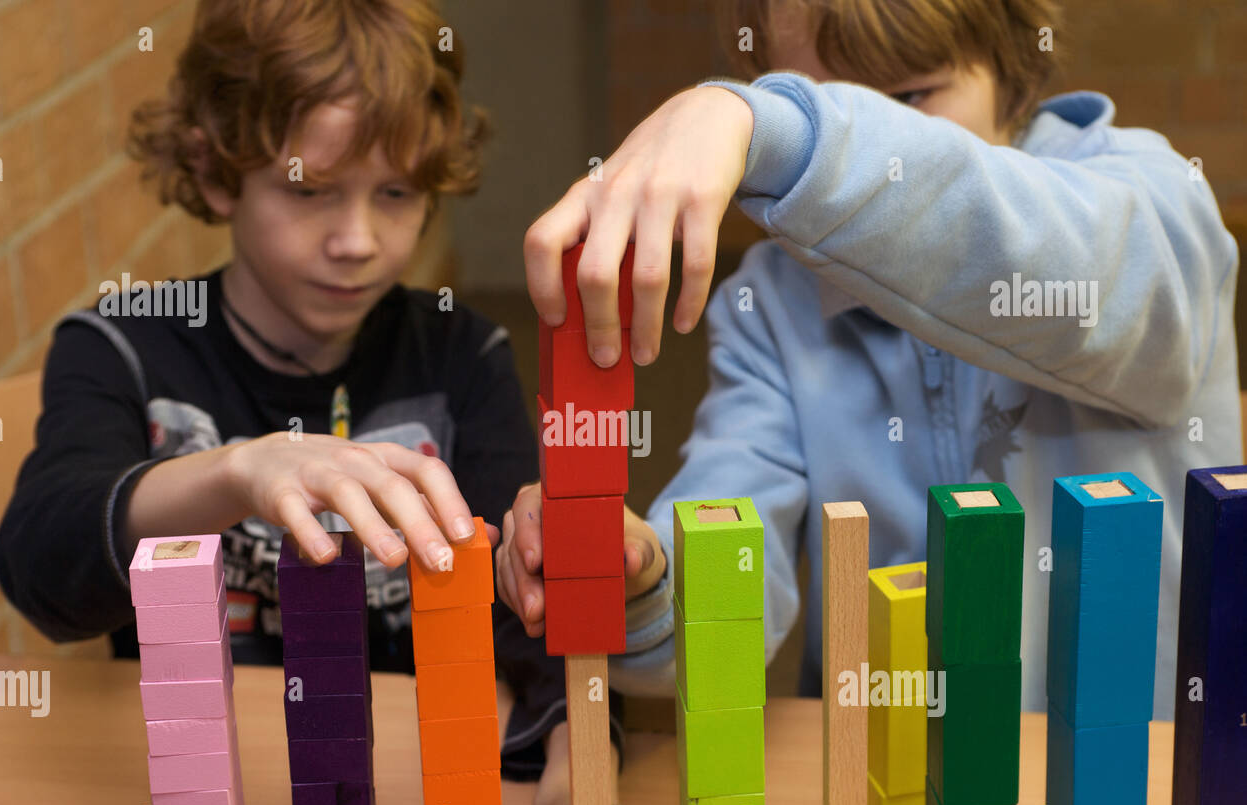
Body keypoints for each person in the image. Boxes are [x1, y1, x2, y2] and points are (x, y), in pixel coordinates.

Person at [0, 0, 673, 805]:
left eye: (395, 193)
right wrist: (237, 472)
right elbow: (40, 562)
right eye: (309, 190)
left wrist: (572, 787)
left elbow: (536, 623)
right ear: (213, 171)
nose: (358, 241)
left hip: (411, 798)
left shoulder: (463, 353)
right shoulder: (120, 346)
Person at [496, 0, 1241, 720]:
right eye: (820, 101)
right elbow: (722, 599)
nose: (882, 147)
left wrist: (788, 136)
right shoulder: (771, 310)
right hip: (885, 785)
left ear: (1012, 66)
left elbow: (1101, 284)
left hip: (1148, 785)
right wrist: (637, 577)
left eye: (914, 93)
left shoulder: (1152, 198)